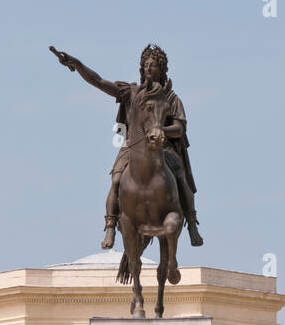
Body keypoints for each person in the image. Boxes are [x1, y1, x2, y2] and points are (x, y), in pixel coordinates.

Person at [53, 43, 203, 249]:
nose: (149, 68)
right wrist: (77, 65)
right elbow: (98, 81)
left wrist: (160, 132)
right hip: (133, 147)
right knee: (116, 179)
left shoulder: (171, 98)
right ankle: (110, 226)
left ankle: (192, 223)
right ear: (141, 69)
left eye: (154, 65)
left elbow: (179, 127)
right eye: (146, 65)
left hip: (163, 147)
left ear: (162, 69)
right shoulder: (130, 92)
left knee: (179, 176)